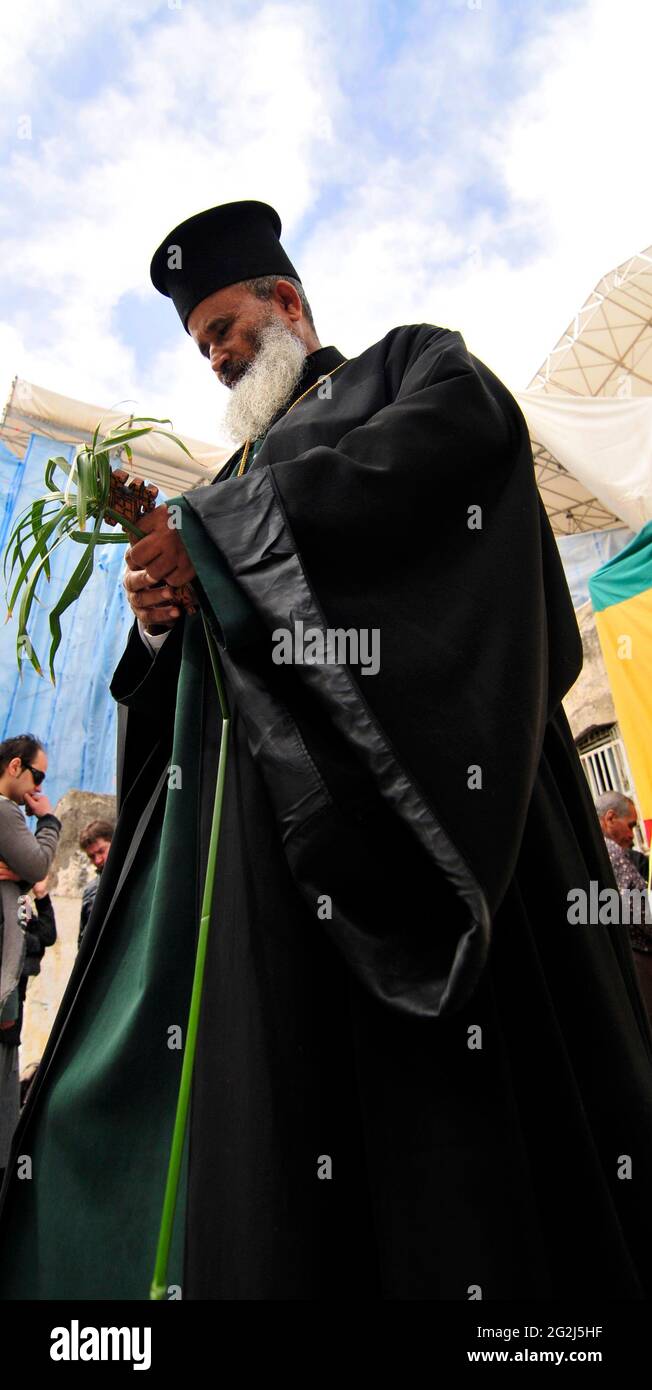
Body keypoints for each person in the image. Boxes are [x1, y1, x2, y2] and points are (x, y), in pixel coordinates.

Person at [2, 200, 652, 1302]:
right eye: (201, 345)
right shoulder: (216, 487)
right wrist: (163, 611)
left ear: (287, 303)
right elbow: (198, 702)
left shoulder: (406, 372)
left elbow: (462, 465)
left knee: (464, 1168)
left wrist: (215, 540)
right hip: (273, 890)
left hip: (437, 841)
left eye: (226, 328)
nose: (216, 357)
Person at [0, 735, 60, 1182]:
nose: (39, 787)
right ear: (16, 766)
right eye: (37, 776)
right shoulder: (6, 810)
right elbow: (39, 867)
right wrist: (49, 819)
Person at [596, 790, 652, 1021]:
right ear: (610, 819)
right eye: (630, 825)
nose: (632, 834)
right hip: (638, 958)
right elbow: (639, 913)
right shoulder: (612, 853)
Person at [77, 819, 114, 948]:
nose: (97, 860)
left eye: (101, 851)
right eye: (91, 856)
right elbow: (83, 941)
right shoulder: (91, 892)